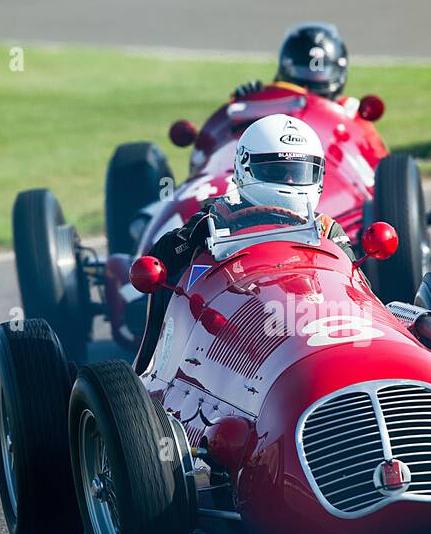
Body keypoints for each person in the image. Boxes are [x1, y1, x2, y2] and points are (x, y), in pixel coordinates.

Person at [134, 114, 355, 372]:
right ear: (244, 167)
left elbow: (355, 293)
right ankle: (150, 367)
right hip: (234, 329)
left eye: (300, 172)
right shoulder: (213, 220)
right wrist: (189, 239)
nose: (291, 181)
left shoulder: (328, 229)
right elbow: (155, 265)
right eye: (278, 171)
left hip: (313, 325)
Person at [231, 22, 349, 102]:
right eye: (304, 72)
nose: (314, 81)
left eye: (322, 73)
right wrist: (249, 103)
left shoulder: (350, 112)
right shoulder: (270, 105)